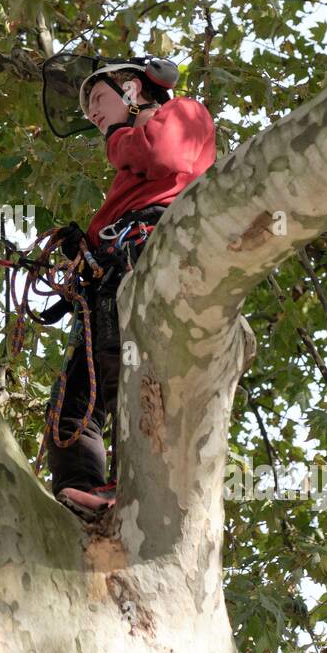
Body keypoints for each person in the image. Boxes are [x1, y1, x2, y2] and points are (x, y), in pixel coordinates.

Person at [45, 56, 216, 518]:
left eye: (97, 100)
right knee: (73, 400)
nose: (93, 115)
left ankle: (132, 490)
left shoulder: (184, 113)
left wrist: (118, 139)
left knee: (137, 383)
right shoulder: (127, 166)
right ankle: (76, 494)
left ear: (133, 88)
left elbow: (166, 156)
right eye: (89, 113)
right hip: (111, 276)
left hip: (152, 258)